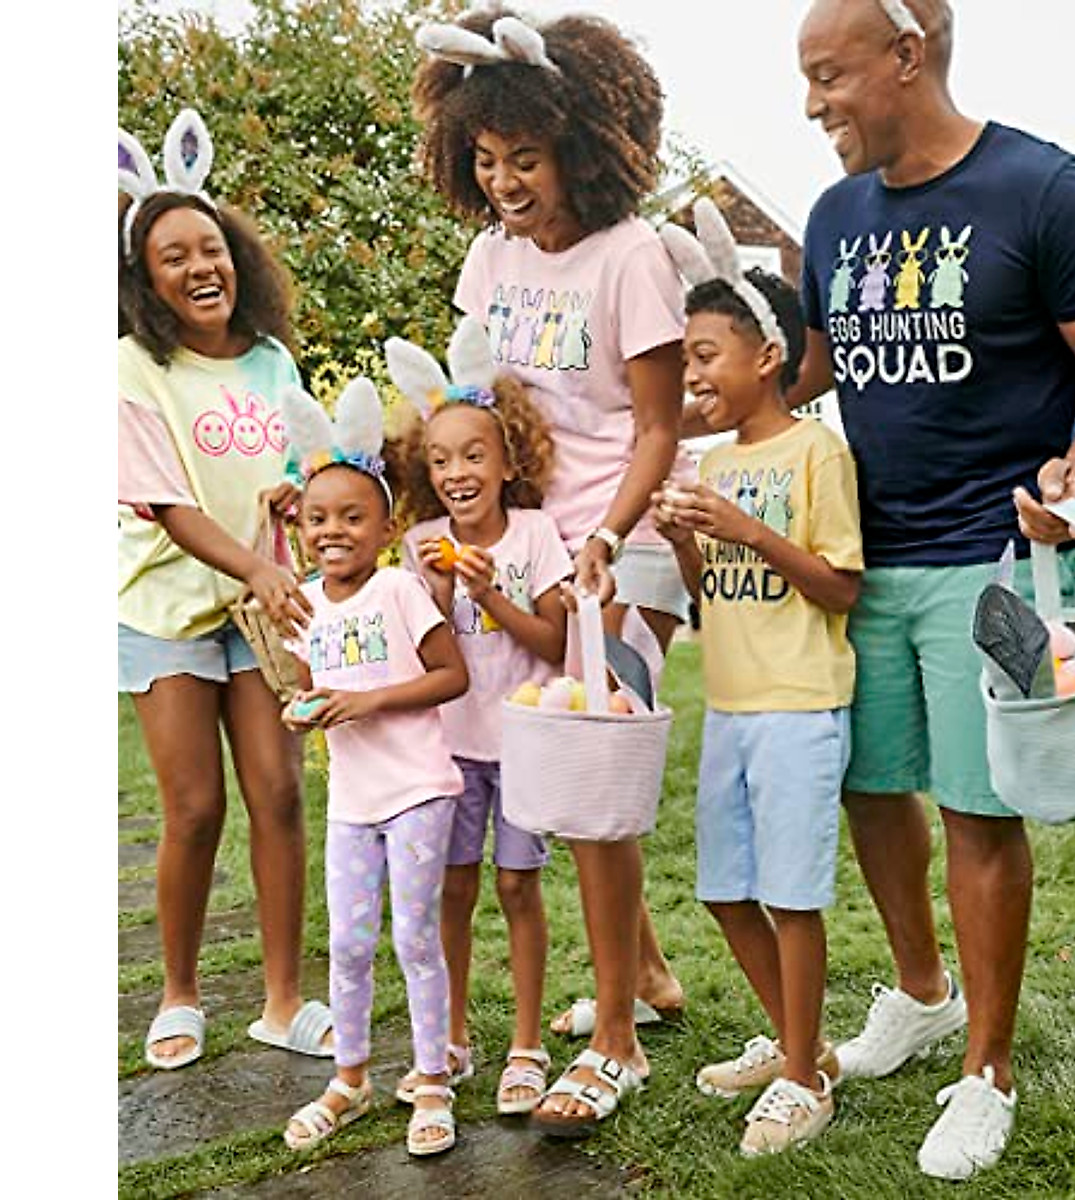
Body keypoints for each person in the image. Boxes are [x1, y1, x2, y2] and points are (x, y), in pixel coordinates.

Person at [744, 0, 1075, 1180]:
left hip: (993, 560)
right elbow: (808, 373)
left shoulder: (1044, 190)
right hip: (865, 561)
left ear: (907, 54)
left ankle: (986, 1071)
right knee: (872, 788)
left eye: (827, 74)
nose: (811, 104)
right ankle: (925, 994)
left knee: (978, 809)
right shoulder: (836, 215)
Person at [411, 6, 692, 1134]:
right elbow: (478, 404)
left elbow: (660, 430)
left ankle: (617, 1041)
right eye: (486, 159)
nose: (505, 182)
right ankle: (649, 974)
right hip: (530, 544)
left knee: (590, 769)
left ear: (580, 144)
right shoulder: (490, 256)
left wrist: (606, 543)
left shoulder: (633, 257)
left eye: (525, 157)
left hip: (627, 540)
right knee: (561, 775)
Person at [117, 108, 334, 1071]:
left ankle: (284, 1001)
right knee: (196, 807)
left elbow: (302, 458)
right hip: (165, 607)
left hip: (261, 611)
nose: (200, 267)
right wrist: (256, 564)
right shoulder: (130, 368)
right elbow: (168, 505)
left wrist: (300, 489)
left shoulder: (271, 361)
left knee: (278, 792)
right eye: (174, 257)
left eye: (211, 249)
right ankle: (180, 993)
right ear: (144, 277)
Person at [652, 200, 863, 1156]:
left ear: (768, 355)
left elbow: (839, 586)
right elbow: (713, 598)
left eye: (705, 355)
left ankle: (801, 1077)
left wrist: (742, 527)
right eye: (686, 360)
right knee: (725, 890)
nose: (691, 375)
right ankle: (799, 1047)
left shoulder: (816, 450)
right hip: (733, 705)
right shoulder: (712, 464)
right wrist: (685, 543)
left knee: (790, 895)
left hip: (799, 706)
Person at [383, 320, 573, 1116]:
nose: (457, 472)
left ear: (507, 462)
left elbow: (557, 642)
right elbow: (418, 654)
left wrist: (489, 591)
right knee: (453, 890)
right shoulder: (422, 544)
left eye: (473, 455)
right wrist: (434, 592)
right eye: (440, 460)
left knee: (517, 886)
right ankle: (450, 1039)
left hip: (523, 743)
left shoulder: (535, 535)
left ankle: (527, 1045)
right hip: (449, 751)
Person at [278, 378, 469, 1156]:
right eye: (318, 518)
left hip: (418, 790)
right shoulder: (304, 605)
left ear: (386, 529)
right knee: (349, 945)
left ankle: (433, 1081)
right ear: (301, 529)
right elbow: (303, 689)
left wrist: (372, 701)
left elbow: (451, 675)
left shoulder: (398, 588)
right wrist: (303, 709)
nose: (334, 531)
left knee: (414, 940)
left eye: (353, 517)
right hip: (352, 804)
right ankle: (350, 1080)